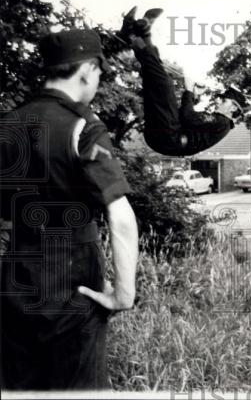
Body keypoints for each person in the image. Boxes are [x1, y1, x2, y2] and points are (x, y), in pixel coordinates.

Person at [0, 29, 139, 390]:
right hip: (73, 283)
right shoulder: (83, 126)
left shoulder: (7, 125)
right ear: (88, 70)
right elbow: (120, 215)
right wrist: (123, 294)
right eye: (99, 73)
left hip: (16, 281)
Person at [118, 7, 247, 157]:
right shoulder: (218, 123)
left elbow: (187, 116)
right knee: (154, 73)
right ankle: (135, 36)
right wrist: (194, 97)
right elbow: (187, 118)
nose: (219, 101)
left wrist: (189, 90)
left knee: (164, 84)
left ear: (233, 108)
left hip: (169, 138)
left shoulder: (222, 122)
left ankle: (141, 33)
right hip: (164, 138)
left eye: (224, 101)